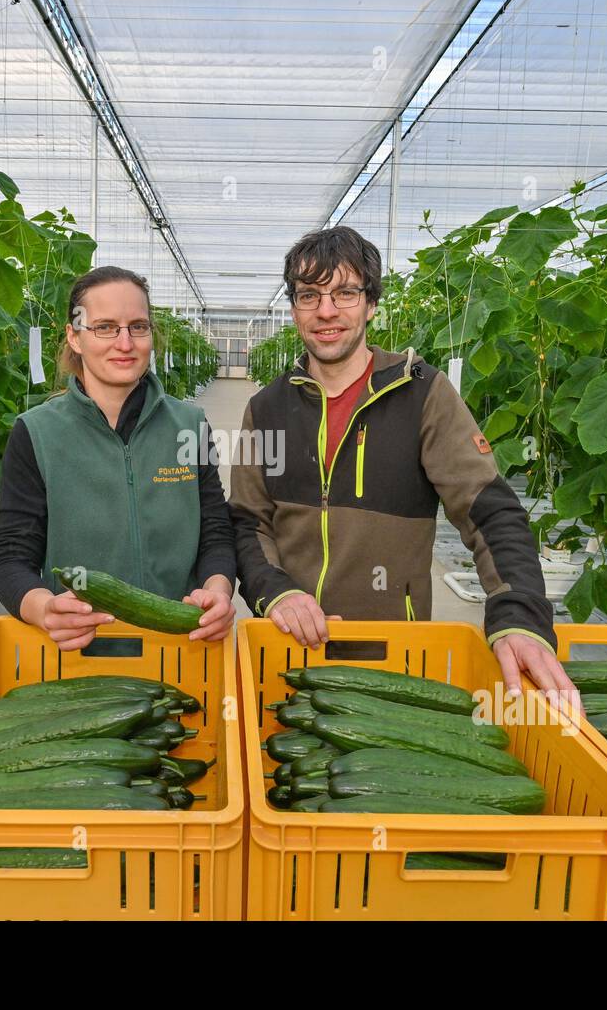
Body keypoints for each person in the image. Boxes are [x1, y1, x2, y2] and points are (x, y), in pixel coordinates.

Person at [230, 226, 574, 697]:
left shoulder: (422, 393)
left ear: (371, 305)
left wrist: (519, 615)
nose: (326, 311)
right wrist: (275, 591)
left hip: (393, 651)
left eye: (345, 293)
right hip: (293, 647)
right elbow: (248, 522)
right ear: (293, 309)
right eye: (309, 295)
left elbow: (490, 511)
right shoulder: (267, 408)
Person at [0, 265, 236, 651]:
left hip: (183, 646)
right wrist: (44, 608)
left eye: (138, 327)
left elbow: (216, 532)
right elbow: (11, 558)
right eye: (104, 327)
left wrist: (217, 589)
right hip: (81, 656)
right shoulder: (36, 433)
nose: (125, 343)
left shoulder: (190, 423)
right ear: (74, 337)